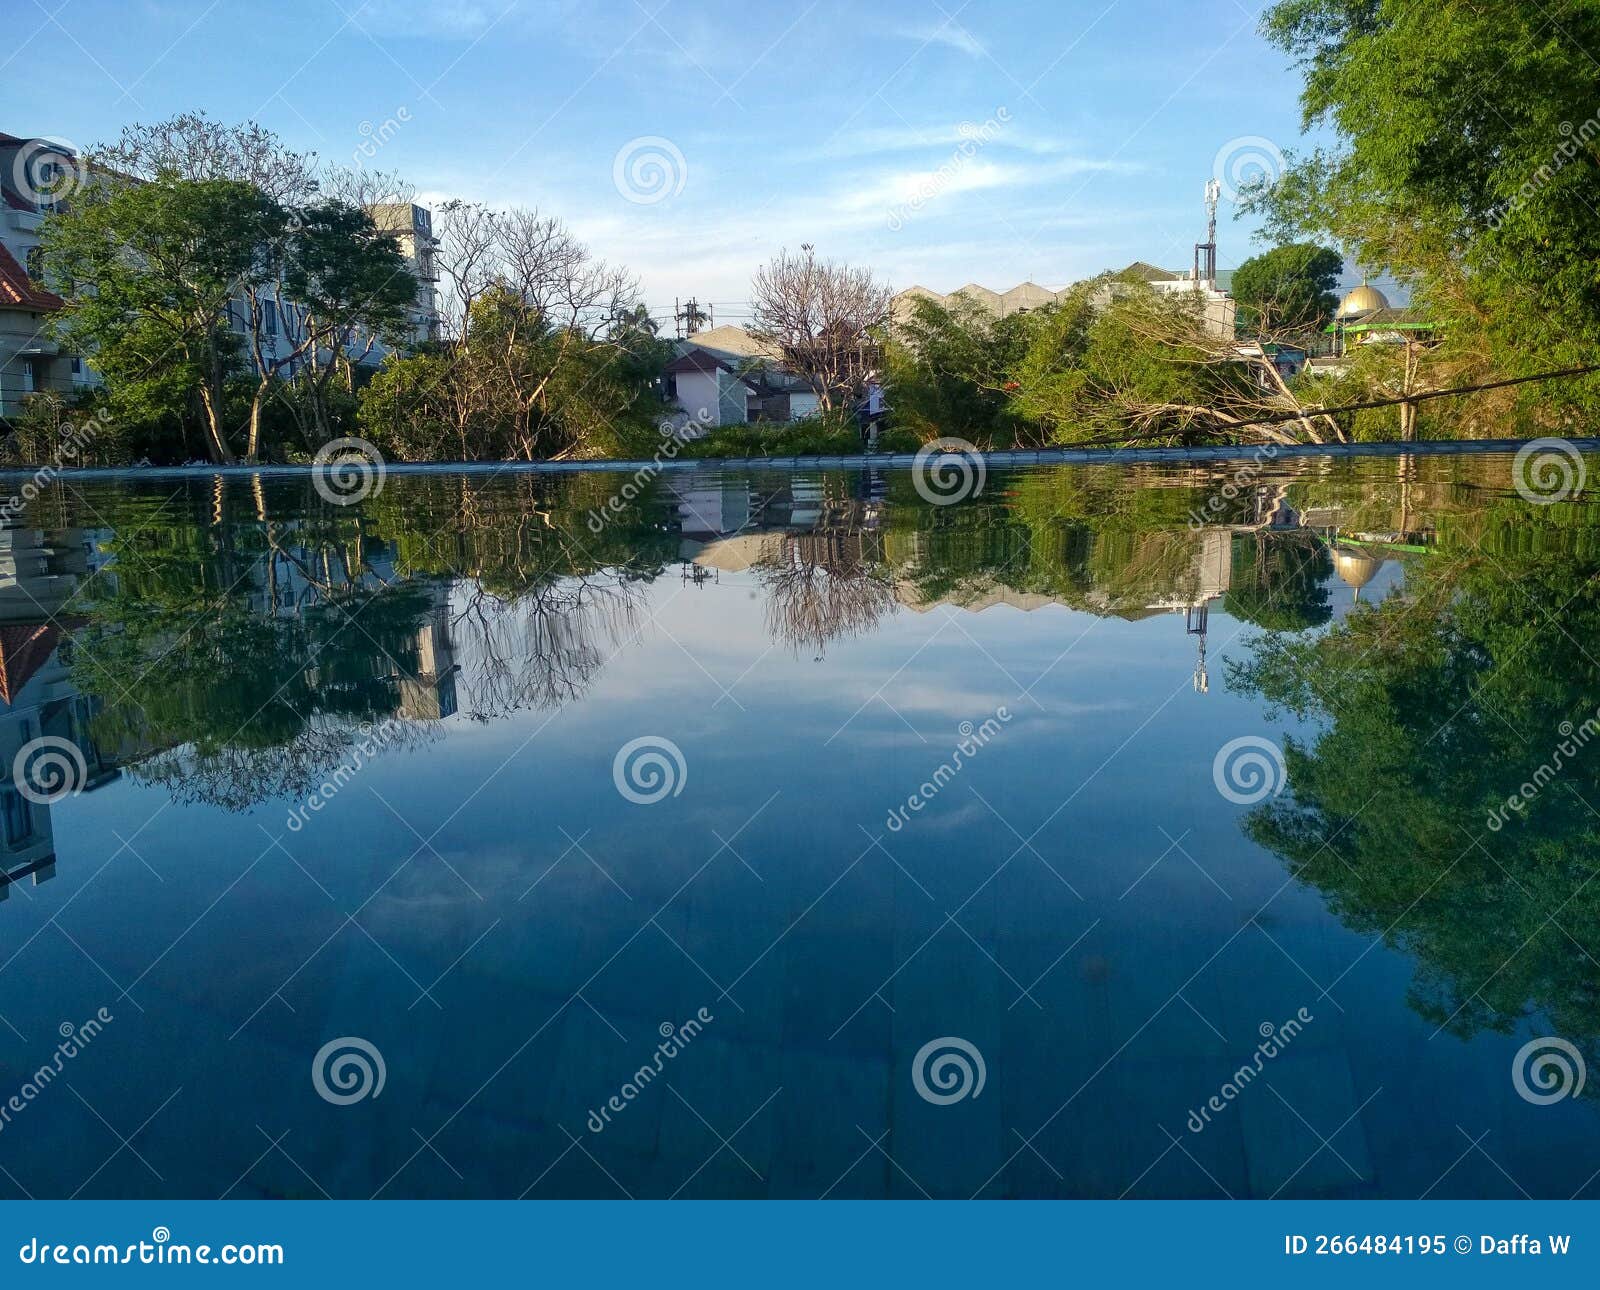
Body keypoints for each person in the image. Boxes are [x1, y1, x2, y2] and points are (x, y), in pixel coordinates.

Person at [857, 373, 887, 450]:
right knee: (867, 425)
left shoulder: (879, 392)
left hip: (877, 408)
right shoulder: (868, 390)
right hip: (870, 409)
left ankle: (878, 442)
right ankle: (866, 443)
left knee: (878, 424)